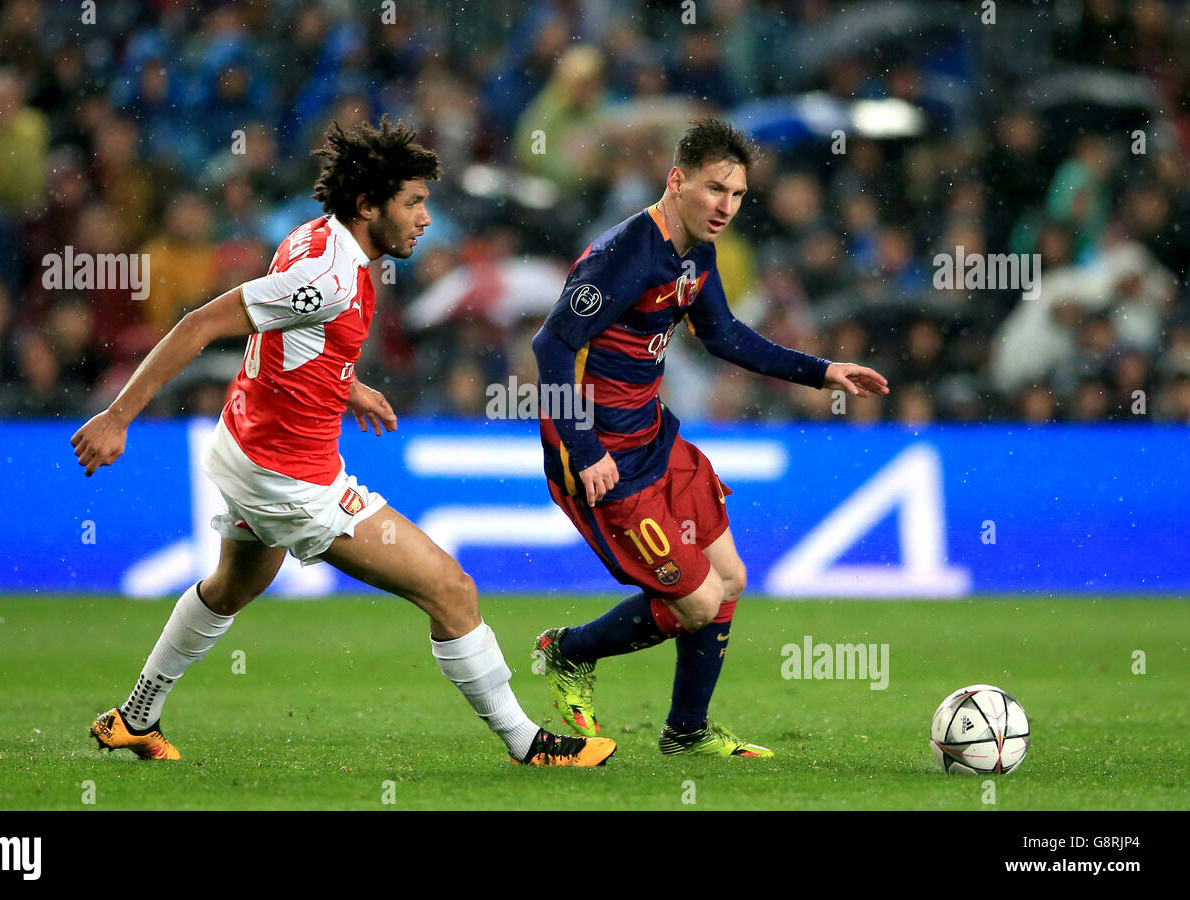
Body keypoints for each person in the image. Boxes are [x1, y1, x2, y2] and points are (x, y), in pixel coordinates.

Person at [72, 118, 616, 767]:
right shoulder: (329, 277)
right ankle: (530, 744)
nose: (425, 219)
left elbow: (286, 335)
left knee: (229, 588)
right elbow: (200, 324)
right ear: (368, 206)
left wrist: (343, 383)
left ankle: (134, 717)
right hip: (291, 480)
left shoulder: (316, 241)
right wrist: (118, 415)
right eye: (413, 203)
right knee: (451, 589)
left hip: (246, 448)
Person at [531, 118, 888, 757]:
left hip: (655, 441)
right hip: (601, 457)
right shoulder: (627, 254)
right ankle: (568, 651)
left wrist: (821, 370)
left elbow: (723, 336)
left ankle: (686, 733)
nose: (727, 206)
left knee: (729, 578)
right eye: (715, 189)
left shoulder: (696, 254)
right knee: (695, 600)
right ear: (677, 181)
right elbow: (551, 344)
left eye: (739, 194)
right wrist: (584, 451)